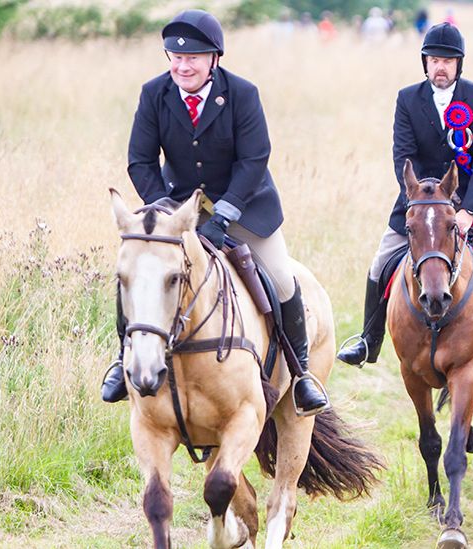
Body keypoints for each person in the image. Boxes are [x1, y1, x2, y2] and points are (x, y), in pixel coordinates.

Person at [100, 9, 330, 415]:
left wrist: (223, 215)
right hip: (178, 211)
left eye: (192, 58)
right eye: (176, 57)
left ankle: (301, 374)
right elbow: (140, 160)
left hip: (246, 208)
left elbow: (254, 159)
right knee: (137, 273)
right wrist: (166, 209)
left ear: (214, 59)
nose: (182, 66)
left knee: (281, 278)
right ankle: (123, 361)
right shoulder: (154, 94)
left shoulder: (242, 93)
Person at [336, 23, 473, 372]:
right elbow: (403, 156)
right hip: (421, 204)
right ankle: (368, 340)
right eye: (435, 60)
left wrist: (469, 210)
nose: (441, 67)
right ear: (425, 63)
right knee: (380, 262)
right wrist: (417, 199)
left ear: (459, 65)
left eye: (448, 61)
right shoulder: (407, 99)